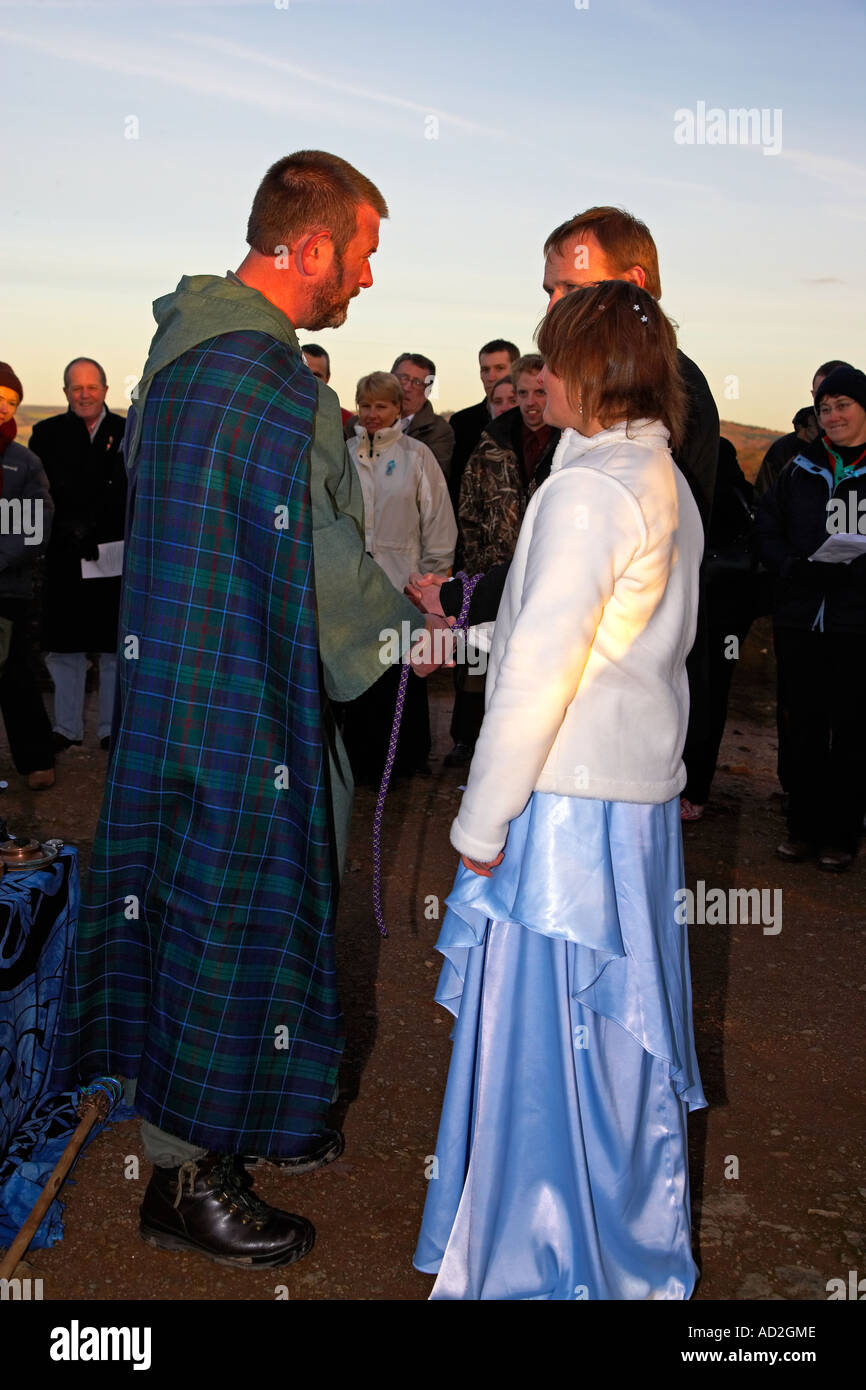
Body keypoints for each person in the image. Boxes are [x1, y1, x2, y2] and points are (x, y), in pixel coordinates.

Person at [51, 149, 447, 1269]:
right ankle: (187, 1177)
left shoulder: (178, 359)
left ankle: (261, 1112)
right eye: (360, 255)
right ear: (312, 247)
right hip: (244, 702)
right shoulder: (279, 385)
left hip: (177, 681)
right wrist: (408, 631)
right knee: (232, 920)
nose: (365, 278)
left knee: (193, 904)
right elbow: (320, 555)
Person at [414, 281, 706, 1300]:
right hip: (627, 801)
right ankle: (610, 1237)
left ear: (588, 370)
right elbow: (598, 641)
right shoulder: (655, 475)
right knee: (607, 1053)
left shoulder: (589, 491)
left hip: (570, 805)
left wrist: (480, 821)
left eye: (548, 362)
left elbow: (544, 674)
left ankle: (544, 1250)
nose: (536, 382)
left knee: (549, 1044)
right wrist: (465, 640)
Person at [754, 364, 866, 872]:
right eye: (825, 408)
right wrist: (790, 567)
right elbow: (766, 528)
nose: (833, 416)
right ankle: (802, 826)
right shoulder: (799, 468)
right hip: (800, 619)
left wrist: (853, 574)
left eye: (843, 405)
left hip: (856, 623)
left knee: (852, 730)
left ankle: (841, 834)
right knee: (802, 725)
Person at [339, 371, 456, 781]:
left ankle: (404, 759)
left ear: (397, 409)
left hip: (402, 581)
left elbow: (438, 521)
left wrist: (431, 583)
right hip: (354, 585)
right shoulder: (343, 455)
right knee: (359, 671)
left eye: (382, 406)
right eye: (365, 405)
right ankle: (358, 761)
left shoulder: (416, 456)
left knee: (401, 670)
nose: (372, 414)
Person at [444, 355, 560, 768]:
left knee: (531, 669)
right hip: (491, 572)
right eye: (522, 393)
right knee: (478, 660)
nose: (530, 402)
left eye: (538, 392)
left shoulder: (569, 445)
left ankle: (528, 752)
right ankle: (468, 740)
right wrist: (479, 569)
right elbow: (469, 509)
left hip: (545, 578)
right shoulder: (491, 442)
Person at [28, 358, 126, 753]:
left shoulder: (127, 431)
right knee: (64, 646)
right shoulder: (45, 433)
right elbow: (39, 494)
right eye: (76, 387)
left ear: (105, 390)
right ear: (65, 391)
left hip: (114, 553)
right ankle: (66, 728)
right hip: (65, 552)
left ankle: (111, 728)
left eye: (92, 387)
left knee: (112, 648)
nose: (85, 394)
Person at [680, 438, 757, 820]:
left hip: (716, 612)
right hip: (730, 617)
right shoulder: (740, 492)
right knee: (713, 693)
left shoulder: (700, 489)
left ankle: (693, 786)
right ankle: (696, 788)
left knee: (702, 694)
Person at [0, 363, 56, 790]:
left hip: (7, 590)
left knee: (16, 677)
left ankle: (36, 760)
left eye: (11, 401)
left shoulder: (23, 463)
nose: (3, 407)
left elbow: (33, 527)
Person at [754, 360, 852, 498]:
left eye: (839, 398)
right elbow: (762, 505)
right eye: (821, 395)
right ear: (813, 395)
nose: (829, 405)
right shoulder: (784, 452)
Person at [447, 339, 520, 510]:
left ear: (516, 369)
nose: (491, 377)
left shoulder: (534, 421)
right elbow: (456, 486)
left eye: (499, 368)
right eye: (485, 370)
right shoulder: (461, 423)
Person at [391, 352, 455, 479]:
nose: (407, 388)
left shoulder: (439, 431)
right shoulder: (362, 423)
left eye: (417, 383)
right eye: (403, 378)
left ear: (428, 392)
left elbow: (430, 478)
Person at [301, 342, 353, 427]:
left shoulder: (346, 422)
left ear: (327, 378)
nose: (310, 379)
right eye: (305, 373)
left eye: (316, 376)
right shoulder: (279, 414)